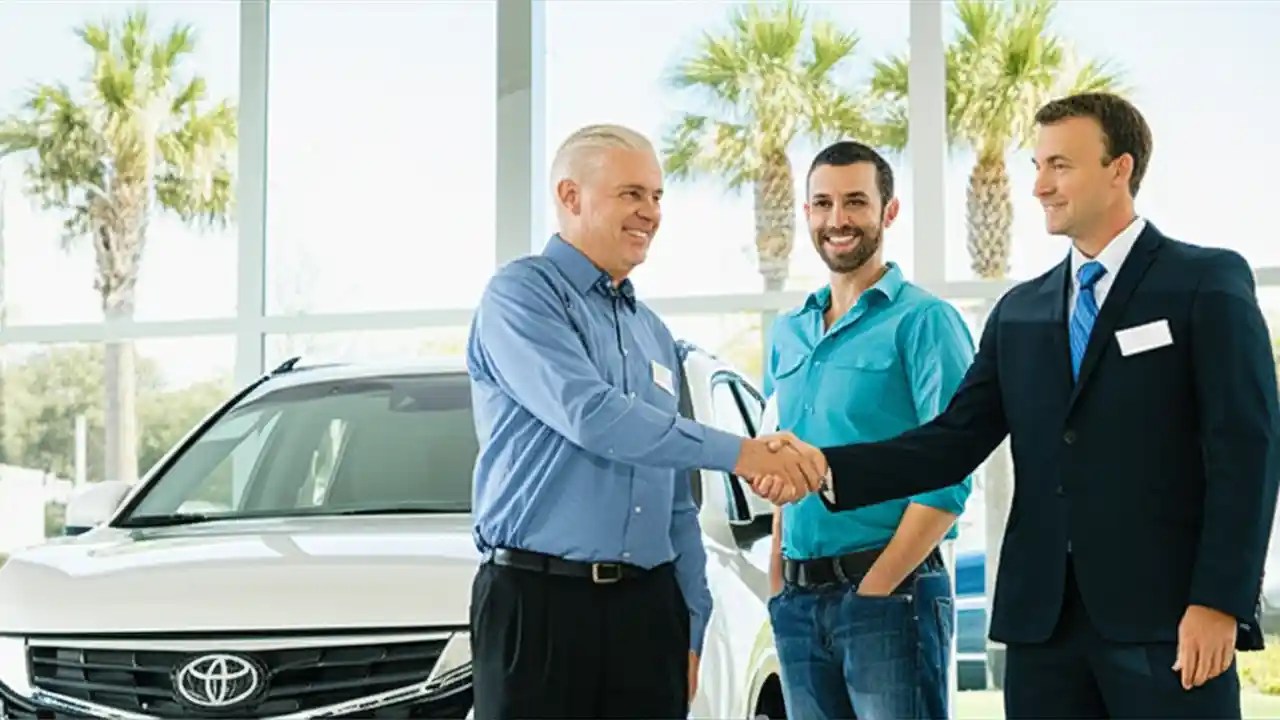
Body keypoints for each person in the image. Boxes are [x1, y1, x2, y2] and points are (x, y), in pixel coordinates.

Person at [754, 92, 1280, 719]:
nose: (1038, 187)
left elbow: (1247, 450)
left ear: (1121, 168)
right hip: (1042, 630)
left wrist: (1219, 600)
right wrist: (825, 466)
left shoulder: (1204, 281)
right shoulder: (1020, 311)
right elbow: (951, 442)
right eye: (1036, 165)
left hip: (1166, 621)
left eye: (1059, 165)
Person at [464, 123, 825, 720]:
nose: (651, 213)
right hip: (539, 605)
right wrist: (748, 454)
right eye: (632, 194)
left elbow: (675, 494)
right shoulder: (521, 295)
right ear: (570, 196)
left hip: (647, 613)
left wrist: (690, 618)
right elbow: (591, 416)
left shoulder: (653, 333)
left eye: (657, 196)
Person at [761, 140, 976, 719]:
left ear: (889, 211)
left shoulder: (925, 322)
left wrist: (876, 590)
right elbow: (787, 462)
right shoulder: (788, 332)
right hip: (799, 604)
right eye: (823, 203)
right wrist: (779, 579)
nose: (838, 219)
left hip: (892, 593)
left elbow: (950, 474)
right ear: (806, 212)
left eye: (855, 201)